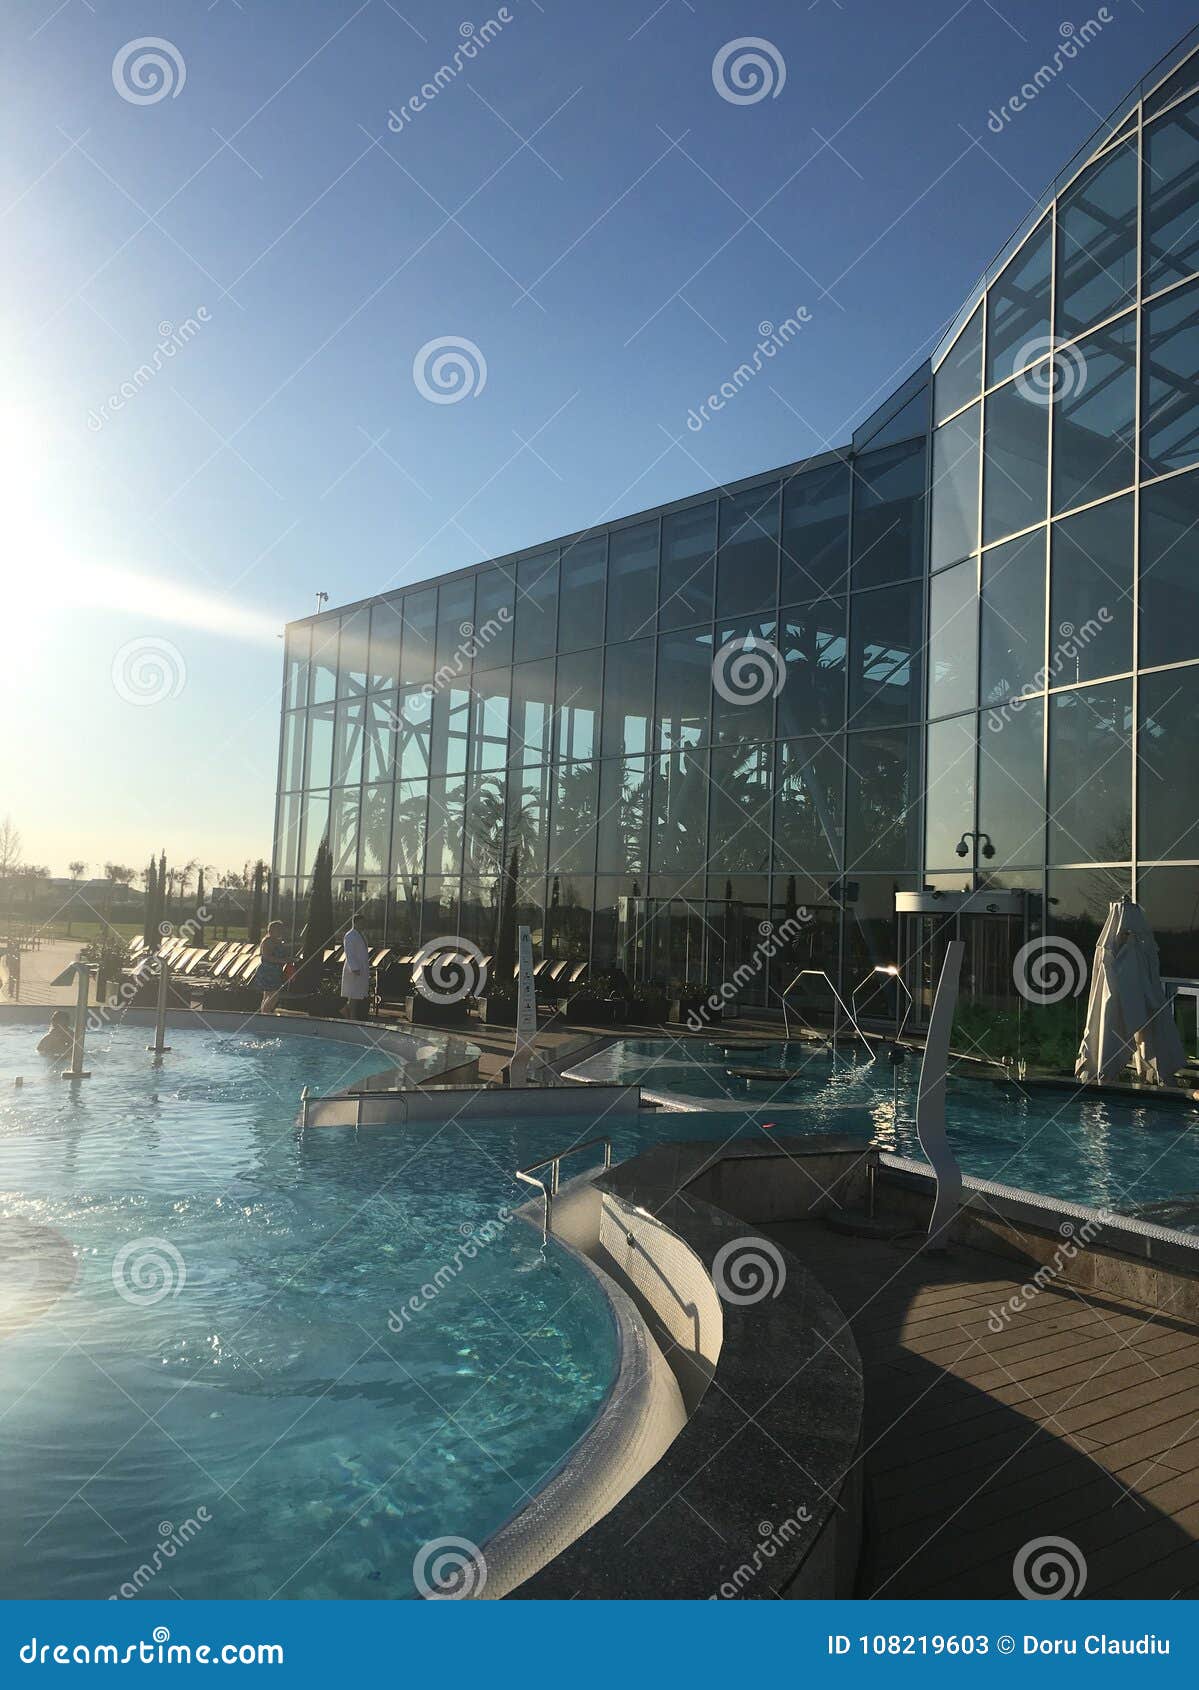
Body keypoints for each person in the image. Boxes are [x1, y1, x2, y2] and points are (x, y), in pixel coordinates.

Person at [252, 921, 289, 1014]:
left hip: (276, 971)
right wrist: (283, 961)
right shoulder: (267, 941)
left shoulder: (278, 941)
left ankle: (264, 1013)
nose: (281, 932)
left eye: (281, 930)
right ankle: (266, 1013)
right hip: (268, 971)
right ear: (271, 931)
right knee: (274, 995)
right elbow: (267, 957)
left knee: (268, 994)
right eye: (278, 930)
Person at [340, 918, 371, 1021]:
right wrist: (354, 968)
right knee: (353, 994)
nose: (364, 924)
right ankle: (352, 1016)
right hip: (353, 969)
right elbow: (349, 953)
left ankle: (347, 1010)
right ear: (356, 922)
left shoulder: (361, 935)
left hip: (361, 968)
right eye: (362, 922)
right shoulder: (350, 935)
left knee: (357, 994)